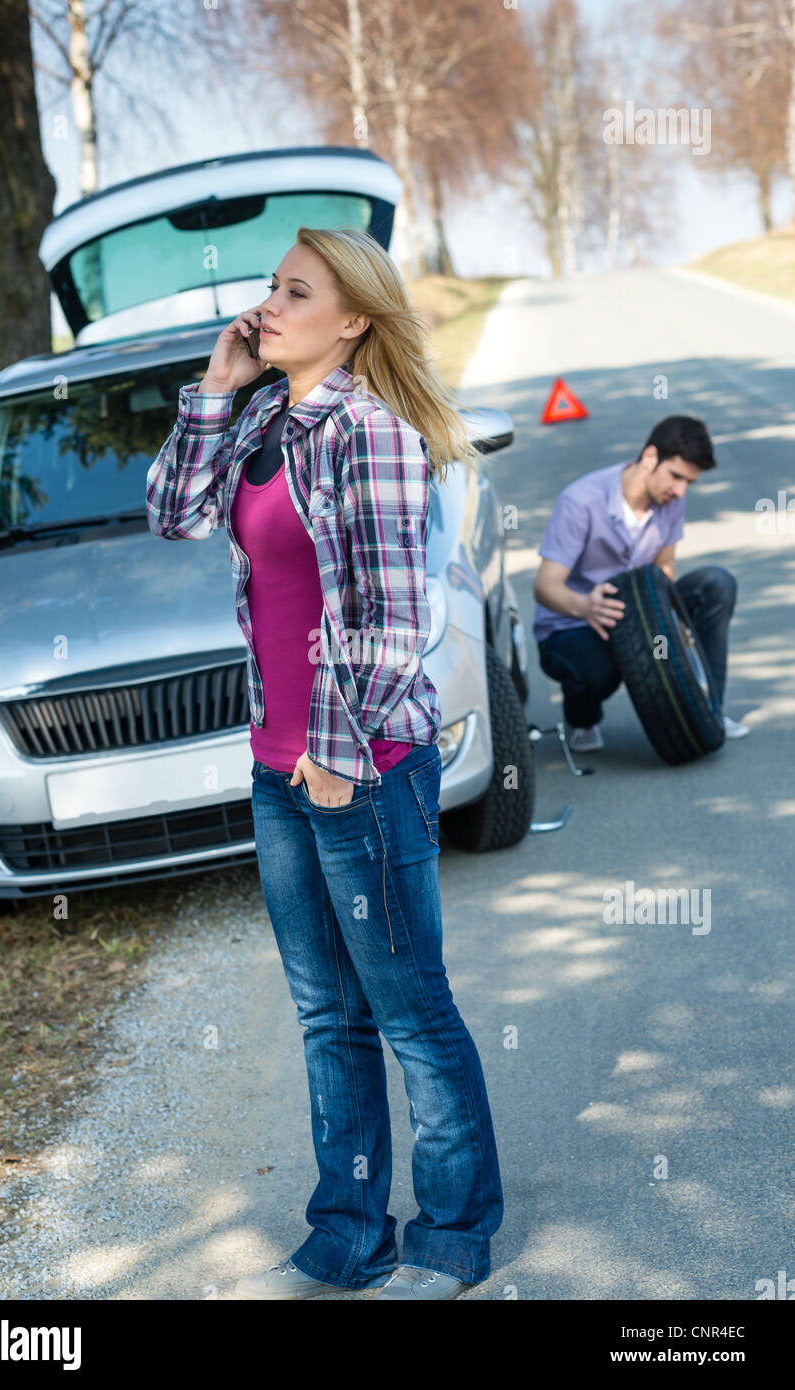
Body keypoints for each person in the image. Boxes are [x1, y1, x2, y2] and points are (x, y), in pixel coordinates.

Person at [146, 226, 503, 1300]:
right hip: (278, 767)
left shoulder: (372, 433)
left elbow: (401, 619)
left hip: (364, 767)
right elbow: (173, 514)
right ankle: (351, 1235)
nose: (269, 303)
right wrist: (214, 384)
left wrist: (338, 761)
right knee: (325, 1014)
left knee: (408, 1008)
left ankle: (451, 1237)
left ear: (351, 319)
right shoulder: (263, 417)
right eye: (271, 286)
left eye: (295, 291)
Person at [532, 416, 749, 751]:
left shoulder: (671, 499)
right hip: (575, 620)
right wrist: (586, 606)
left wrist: (667, 625)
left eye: (689, 483)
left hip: (636, 611)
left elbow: (664, 567)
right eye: (676, 476)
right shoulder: (580, 501)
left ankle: (711, 711)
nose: (680, 490)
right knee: (596, 670)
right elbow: (545, 587)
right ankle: (582, 719)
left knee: (717, 584)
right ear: (649, 457)